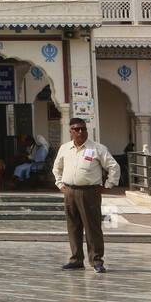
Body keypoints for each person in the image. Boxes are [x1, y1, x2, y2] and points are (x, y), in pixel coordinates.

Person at [52, 117, 120, 273]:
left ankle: (96, 261)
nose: (81, 131)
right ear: (71, 131)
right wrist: (60, 184)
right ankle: (76, 259)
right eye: (77, 129)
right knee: (73, 227)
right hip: (69, 191)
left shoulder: (97, 148)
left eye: (83, 128)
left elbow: (114, 167)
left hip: (90, 192)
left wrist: (108, 185)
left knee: (92, 227)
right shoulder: (65, 148)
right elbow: (57, 168)